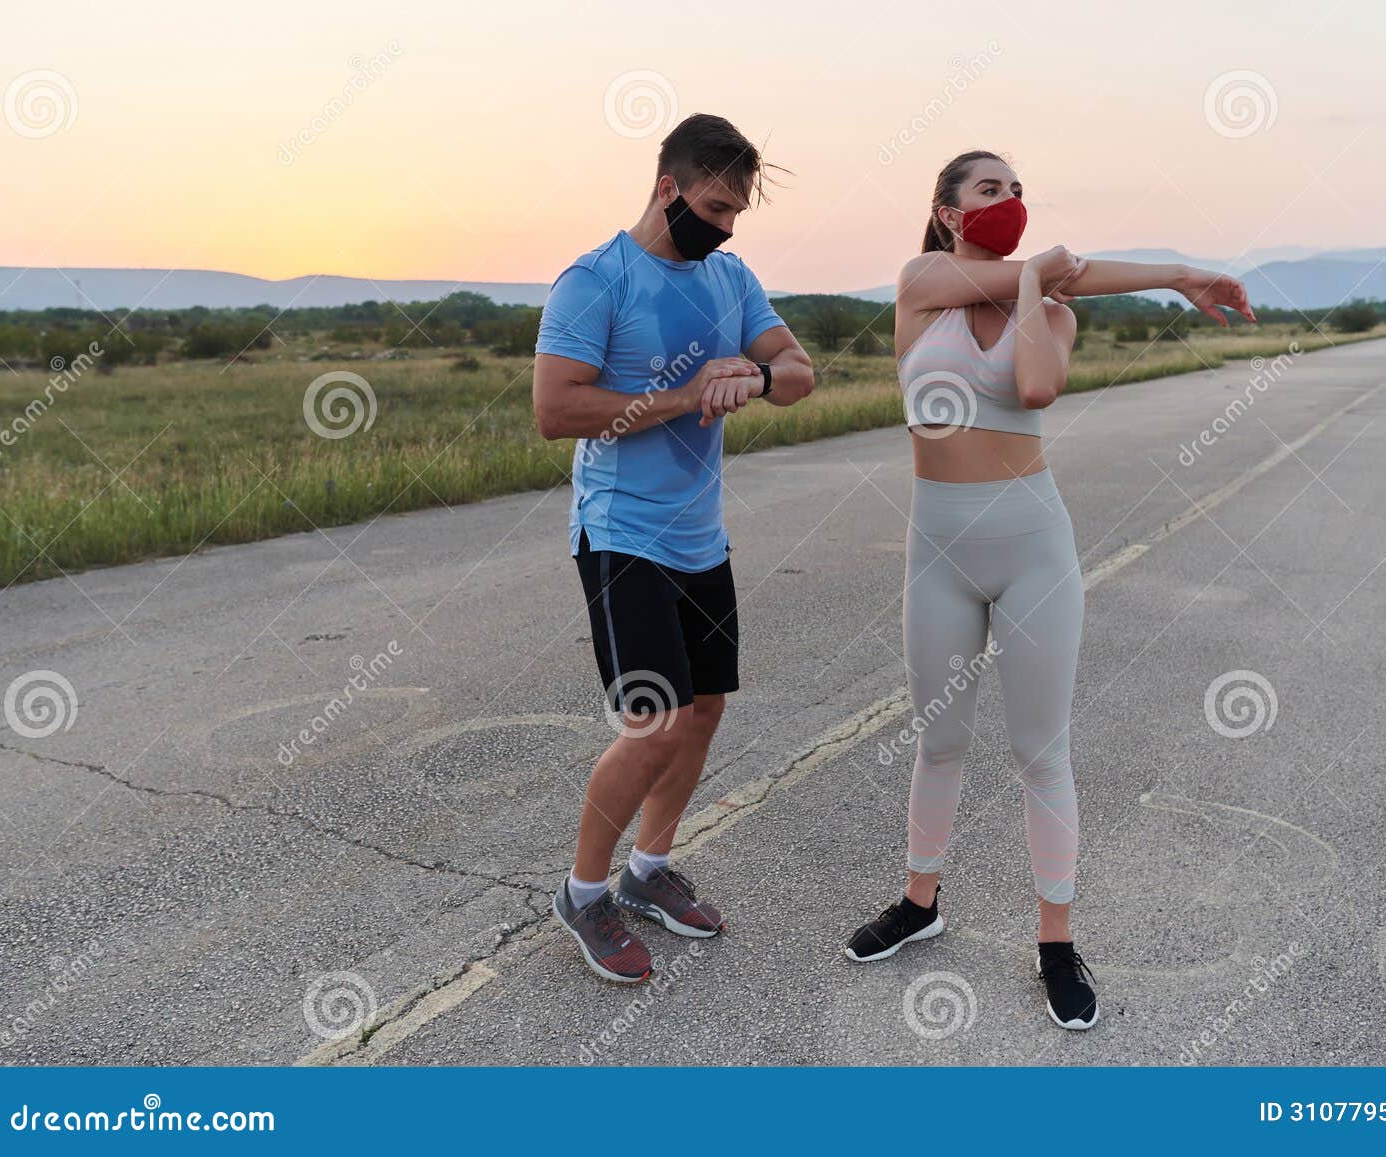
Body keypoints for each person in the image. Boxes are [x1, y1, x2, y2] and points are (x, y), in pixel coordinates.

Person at [843, 150, 1254, 1029]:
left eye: (1020, 190)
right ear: (949, 212)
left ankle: (1056, 944)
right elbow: (1044, 269)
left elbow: (1035, 383)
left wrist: (1159, 277)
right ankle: (920, 905)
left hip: (1033, 549)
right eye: (990, 190)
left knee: (1040, 750)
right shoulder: (922, 284)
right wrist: (1057, 272)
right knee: (939, 738)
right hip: (936, 551)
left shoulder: (1055, 315)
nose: (1011, 202)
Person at [534, 113, 814, 983]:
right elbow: (556, 410)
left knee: (703, 713)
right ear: (669, 189)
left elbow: (799, 371)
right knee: (654, 725)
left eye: (738, 213)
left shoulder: (731, 278)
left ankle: (649, 871)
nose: (726, 226)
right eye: (717, 206)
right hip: (622, 534)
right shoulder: (595, 280)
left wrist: (756, 377)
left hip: (702, 539)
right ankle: (584, 894)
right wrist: (685, 393)